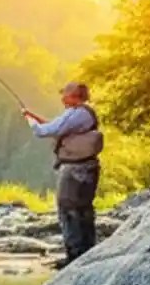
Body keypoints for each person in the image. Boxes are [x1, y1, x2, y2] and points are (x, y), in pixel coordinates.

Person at [22, 82, 103, 268]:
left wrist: (30, 121)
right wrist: (34, 117)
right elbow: (55, 126)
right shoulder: (81, 113)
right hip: (85, 168)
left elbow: (44, 131)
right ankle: (87, 252)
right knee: (83, 210)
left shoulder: (78, 113)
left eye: (64, 94)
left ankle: (75, 255)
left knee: (69, 210)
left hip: (75, 170)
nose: (62, 98)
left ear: (74, 95)